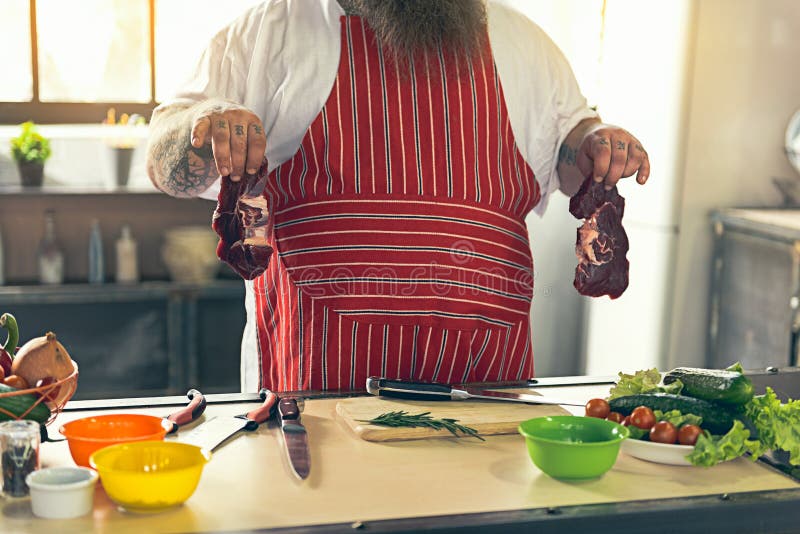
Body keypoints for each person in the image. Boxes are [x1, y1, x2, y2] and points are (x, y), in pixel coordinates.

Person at [146, 0, 650, 393]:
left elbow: (570, 151)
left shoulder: (525, 44)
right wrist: (203, 126)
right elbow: (164, 162)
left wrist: (595, 142)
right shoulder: (268, 31)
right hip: (314, 391)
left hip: (485, 392)